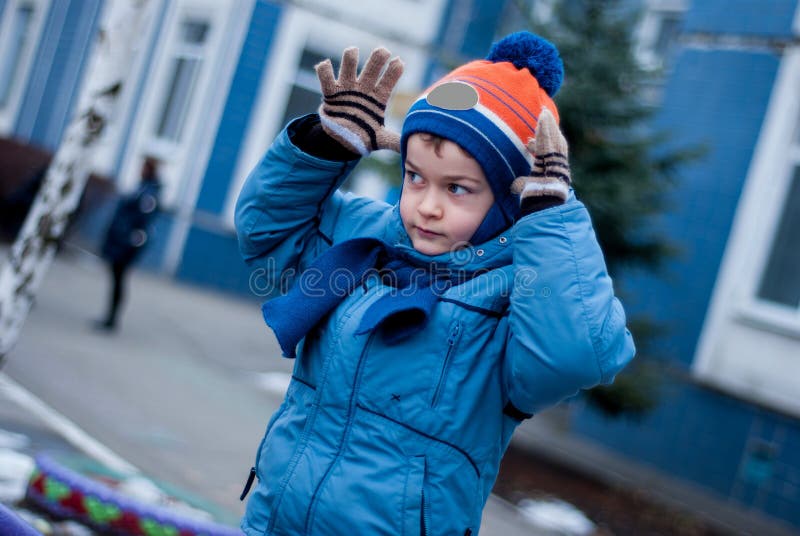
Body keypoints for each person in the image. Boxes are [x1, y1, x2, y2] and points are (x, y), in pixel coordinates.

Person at [235, 32, 635, 535]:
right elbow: (264, 232)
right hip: (274, 521)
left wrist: (552, 219)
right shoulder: (364, 234)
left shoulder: (515, 293)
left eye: (457, 188)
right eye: (415, 177)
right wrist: (322, 148)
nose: (427, 205)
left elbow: (574, 356)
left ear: (512, 199)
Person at [95, 157, 161, 331]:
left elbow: (143, 219)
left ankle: (111, 319)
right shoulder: (142, 188)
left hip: (126, 244)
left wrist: (129, 239)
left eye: (143, 167)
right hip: (121, 241)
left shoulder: (148, 193)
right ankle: (109, 317)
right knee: (116, 279)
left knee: (119, 279)